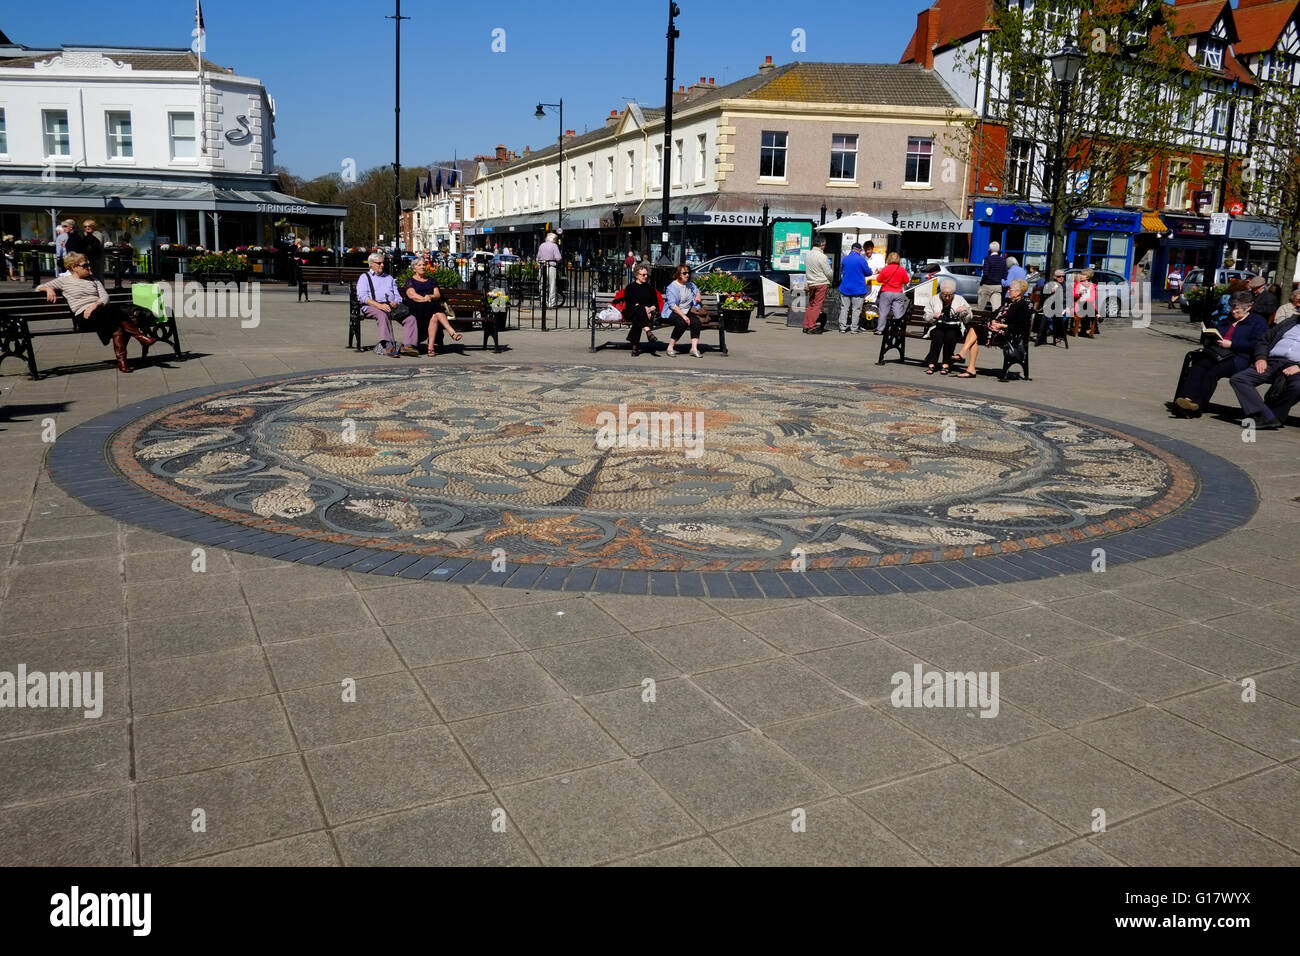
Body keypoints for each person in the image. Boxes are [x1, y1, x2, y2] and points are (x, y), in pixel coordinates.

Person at [36, 252, 156, 373]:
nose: (89, 267)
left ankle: (123, 362)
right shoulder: (63, 281)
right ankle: (140, 337)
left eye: (89, 264)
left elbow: (105, 298)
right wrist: (48, 289)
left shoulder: (94, 280)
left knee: (117, 326)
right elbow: (38, 287)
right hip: (83, 316)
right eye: (85, 265)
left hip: (99, 311)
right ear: (74, 267)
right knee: (115, 311)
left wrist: (95, 305)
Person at [1172, 292, 1267, 418]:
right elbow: (1218, 332)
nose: (1233, 311)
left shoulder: (1258, 322)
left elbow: (1256, 344)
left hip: (1238, 358)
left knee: (1213, 372)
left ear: (1248, 307)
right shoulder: (1228, 319)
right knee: (1199, 366)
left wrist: (1232, 344)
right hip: (1218, 353)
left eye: (1237, 309)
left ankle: (1198, 405)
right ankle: (1188, 399)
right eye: (1232, 307)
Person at [1228, 304, 1300, 430]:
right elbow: (1264, 340)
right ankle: (1266, 414)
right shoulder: (1289, 322)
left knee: (1297, 386)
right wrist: (1261, 357)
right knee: (1239, 379)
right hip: (1272, 361)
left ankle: (1274, 416)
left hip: (1295, 366)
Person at [954, 277, 1032, 378]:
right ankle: (970, 368)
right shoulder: (1008, 302)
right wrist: (993, 320)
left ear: (1018, 292)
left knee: (975, 330)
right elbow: (994, 313)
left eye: (1010, 289)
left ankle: (963, 355)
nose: (1008, 291)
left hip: (1009, 334)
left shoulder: (1024, 305)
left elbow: (1021, 326)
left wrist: (1002, 325)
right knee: (974, 332)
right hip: (995, 330)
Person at [356, 252, 414, 357]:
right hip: (372, 306)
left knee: (410, 319)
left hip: (390, 306)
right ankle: (388, 346)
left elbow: (397, 295)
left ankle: (408, 346)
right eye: (379, 263)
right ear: (371, 264)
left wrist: (396, 302)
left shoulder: (389, 278)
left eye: (383, 263)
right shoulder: (364, 277)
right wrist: (379, 306)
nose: (382, 265)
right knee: (382, 315)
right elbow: (362, 297)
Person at [403, 257, 461, 355]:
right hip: (416, 307)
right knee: (434, 306)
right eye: (419, 265)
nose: (422, 267)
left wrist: (430, 296)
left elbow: (437, 295)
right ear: (414, 268)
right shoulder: (410, 280)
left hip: (429, 306)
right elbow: (411, 295)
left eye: (424, 265)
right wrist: (424, 299)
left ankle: (430, 348)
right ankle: (451, 332)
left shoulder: (431, 280)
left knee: (434, 314)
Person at [922, 278, 970, 375]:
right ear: (941, 292)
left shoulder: (960, 300)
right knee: (938, 336)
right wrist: (933, 316)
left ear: (954, 293)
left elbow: (968, 318)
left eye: (950, 295)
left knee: (950, 336)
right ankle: (931, 363)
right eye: (945, 295)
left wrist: (964, 312)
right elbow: (926, 316)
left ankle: (946, 364)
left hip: (955, 328)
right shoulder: (934, 299)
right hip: (937, 326)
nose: (947, 297)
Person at [662, 264, 704, 357]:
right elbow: (673, 305)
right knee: (682, 322)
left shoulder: (690, 285)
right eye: (684, 273)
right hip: (674, 312)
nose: (687, 275)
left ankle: (694, 348)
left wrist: (698, 295)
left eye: (688, 273)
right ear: (678, 274)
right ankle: (670, 347)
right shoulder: (672, 287)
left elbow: (697, 290)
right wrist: (684, 316)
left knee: (696, 322)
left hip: (687, 310)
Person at [621, 263, 662, 356]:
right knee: (639, 309)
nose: (646, 276)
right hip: (631, 312)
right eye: (643, 275)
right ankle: (648, 331)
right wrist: (644, 309)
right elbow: (630, 304)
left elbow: (655, 305)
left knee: (638, 318)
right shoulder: (630, 287)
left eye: (646, 274)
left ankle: (635, 347)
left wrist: (649, 309)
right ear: (636, 275)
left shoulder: (650, 288)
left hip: (645, 314)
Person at [837, 242, 873, 334]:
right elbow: (868, 272)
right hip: (858, 289)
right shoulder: (861, 260)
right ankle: (854, 328)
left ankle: (842, 327)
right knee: (856, 309)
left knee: (844, 308)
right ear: (860, 250)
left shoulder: (845, 259)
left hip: (845, 287)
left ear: (852, 249)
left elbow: (842, 270)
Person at [874, 252, 911, 333]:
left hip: (886, 292)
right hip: (898, 293)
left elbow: (879, 279)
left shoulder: (885, 268)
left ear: (889, 259)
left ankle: (880, 330)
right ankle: (898, 329)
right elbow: (906, 280)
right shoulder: (901, 269)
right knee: (898, 313)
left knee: (883, 312)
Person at [802, 236, 832, 334]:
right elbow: (828, 272)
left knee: (811, 304)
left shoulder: (808, 255)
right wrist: (831, 279)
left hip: (811, 282)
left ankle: (806, 325)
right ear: (822, 245)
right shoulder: (822, 256)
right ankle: (812, 326)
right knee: (817, 306)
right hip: (820, 282)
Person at [1035, 268, 1069, 346]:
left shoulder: (1066, 285)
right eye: (1059, 276)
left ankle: (1051, 330)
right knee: (1045, 316)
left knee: (1063, 316)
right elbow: (1043, 295)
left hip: (1062, 306)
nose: (1061, 278)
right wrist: (1051, 291)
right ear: (1054, 277)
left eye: (1063, 276)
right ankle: (1043, 336)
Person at [977, 241, 1007, 315]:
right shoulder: (1003, 260)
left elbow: (985, 273)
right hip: (997, 286)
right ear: (999, 249)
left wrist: (981, 282)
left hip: (986, 285)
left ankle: (979, 323)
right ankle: (994, 323)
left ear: (990, 249)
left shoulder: (987, 259)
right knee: (996, 309)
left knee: (980, 308)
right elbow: (1005, 274)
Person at [862, 241, 887, 330]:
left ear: (872, 249)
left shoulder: (879, 257)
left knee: (873, 302)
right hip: (865, 283)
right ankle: (864, 318)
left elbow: (882, 269)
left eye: (868, 250)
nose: (867, 252)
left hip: (876, 284)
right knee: (865, 301)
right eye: (866, 250)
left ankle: (873, 319)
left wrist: (879, 270)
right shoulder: (862, 257)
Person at [1071, 268, 1098, 337]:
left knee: (1087, 307)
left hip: (1088, 306)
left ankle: (1084, 331)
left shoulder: (1092, 286)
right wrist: (1079, 294)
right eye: (1081, 274)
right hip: (1078, 305)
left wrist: (1085, 299)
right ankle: (1097, 316)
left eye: (1083, 275)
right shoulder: (1078, 284)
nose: (1081, 275)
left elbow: (1093, 297)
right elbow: (1073, 295)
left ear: (1088, 277)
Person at [537, 232, 562, 307]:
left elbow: (538, 257)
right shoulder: (554, 246)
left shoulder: (542, 245)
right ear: (553, 239)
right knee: (552, 285)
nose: (556, 240)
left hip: (542, 266)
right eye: (556, 239)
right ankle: (551, 303)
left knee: (542, 285)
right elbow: (558, 258)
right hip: (551, 267)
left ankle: (543, 301)